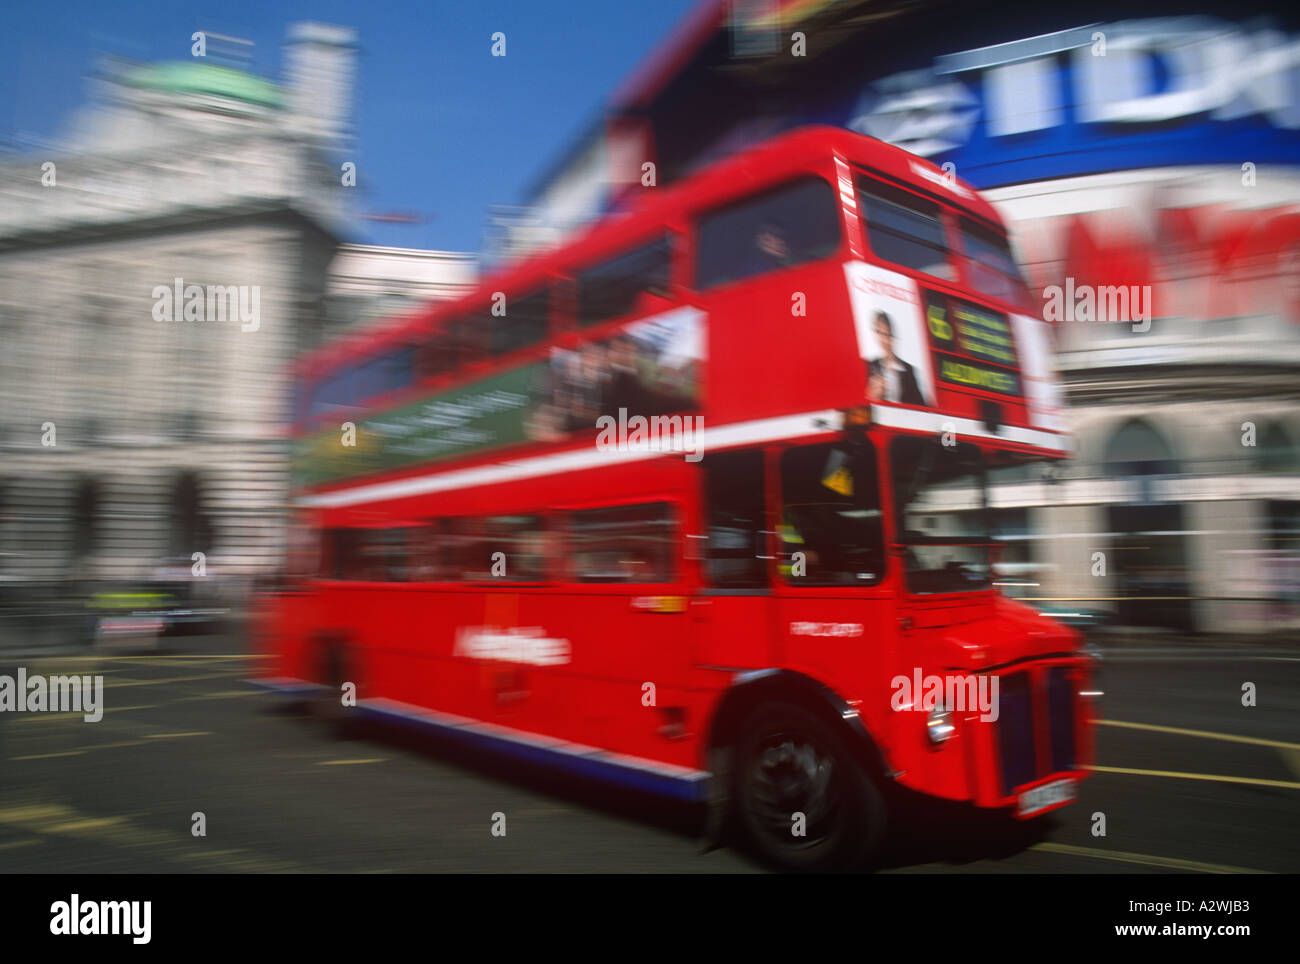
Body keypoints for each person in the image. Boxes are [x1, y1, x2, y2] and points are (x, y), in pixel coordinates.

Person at [866, 310, 925, 406]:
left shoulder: (908, 370)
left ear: (892, 335)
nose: (884, 340)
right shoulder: (870, 366)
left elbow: (921, 405)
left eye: (886, 334)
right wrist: (872, 396)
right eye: (879, 333)